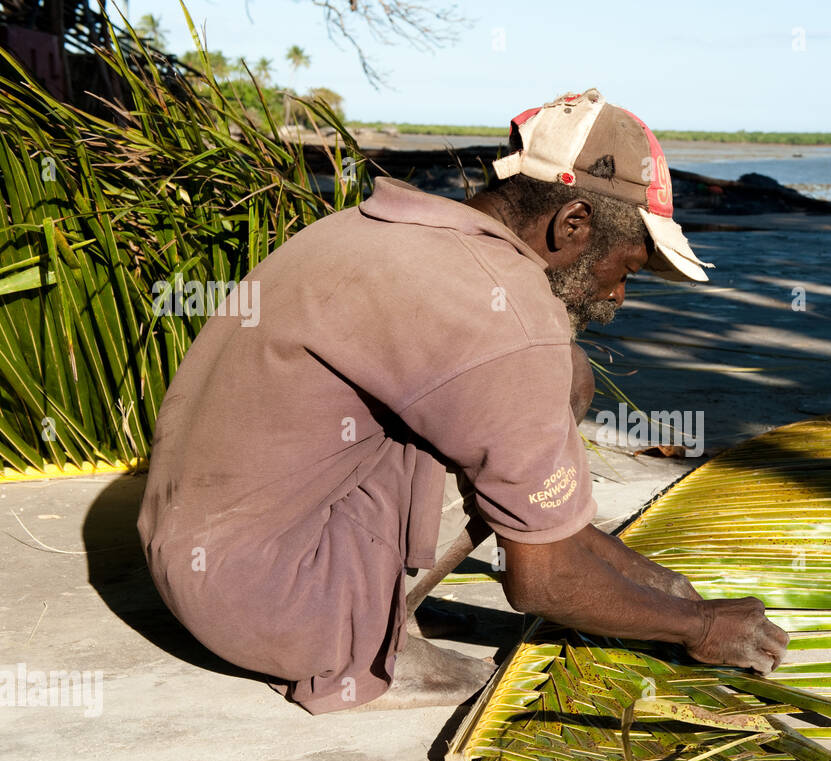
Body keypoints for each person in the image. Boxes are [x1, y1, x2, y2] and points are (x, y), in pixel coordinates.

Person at [136, 88, 789, 714]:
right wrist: (696, 625)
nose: (619, 297)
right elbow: (544, 578)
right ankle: (365, 638)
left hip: (190, 550)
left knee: (564, 372)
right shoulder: (503, 314)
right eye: (627, 269)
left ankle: (374, 585)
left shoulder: (383, 223)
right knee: (542, 375)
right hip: (271, 601)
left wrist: (653, 581)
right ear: (574, 222)